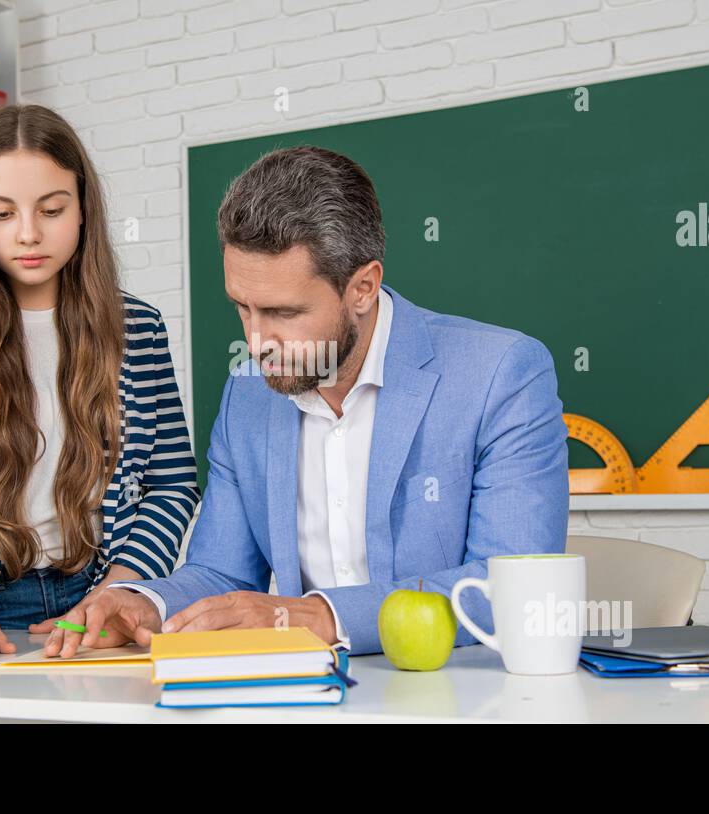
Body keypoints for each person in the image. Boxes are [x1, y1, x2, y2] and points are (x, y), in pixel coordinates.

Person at [49, 145, 569, 658]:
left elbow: (512, 584)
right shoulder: (247, 393)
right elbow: (222, 571)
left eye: (283, 312)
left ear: (362, 288)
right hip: (307, 697)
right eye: (242, 309)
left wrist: (319, 617)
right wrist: (148, 603)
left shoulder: (501, 374)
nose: (257, 343)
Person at [0, 104, 199, 661]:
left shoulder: (139, 330)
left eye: (51, 209)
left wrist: (117, 594)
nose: (28, 234)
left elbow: (171, 485)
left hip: (95, 600)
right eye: (1, 213)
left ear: (82, 210)